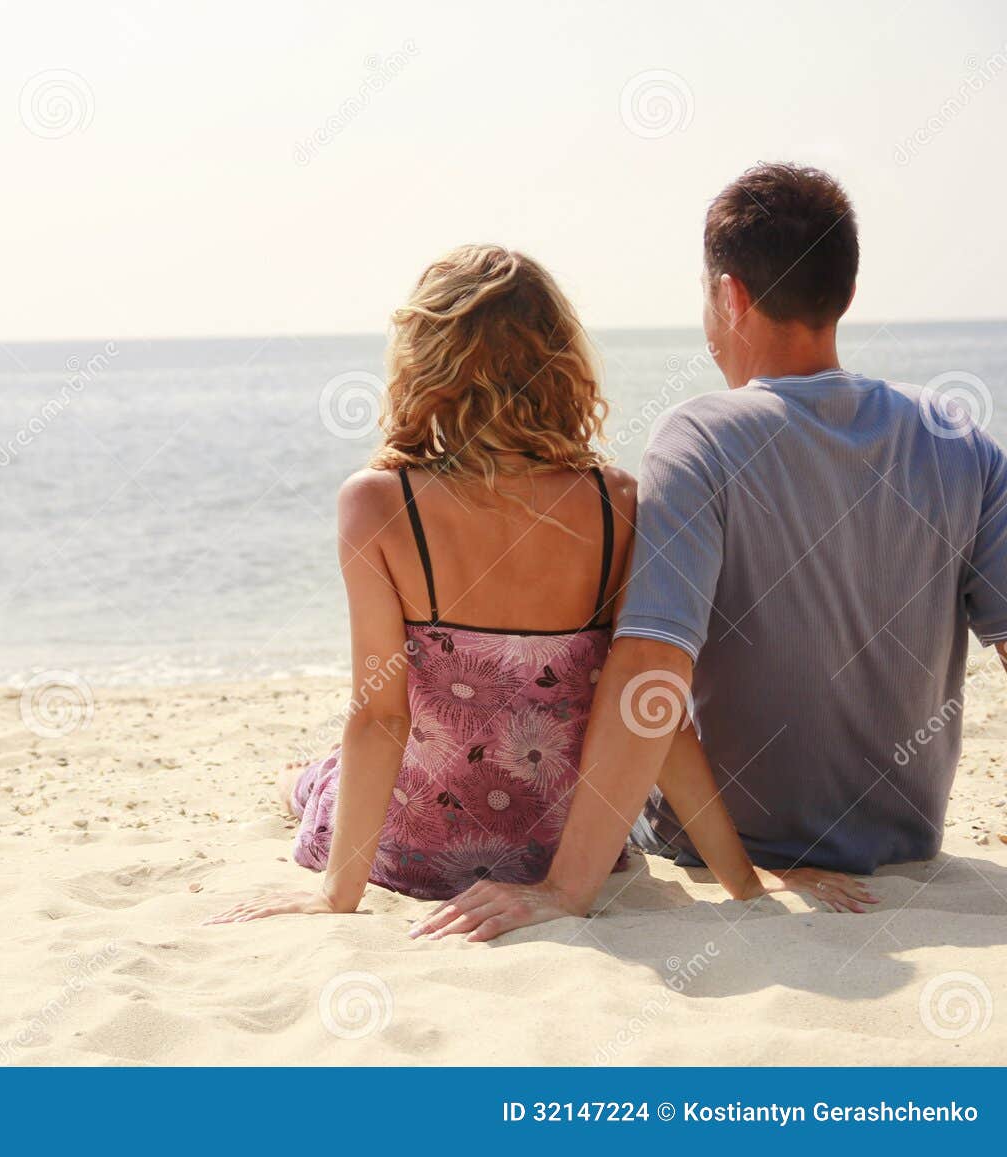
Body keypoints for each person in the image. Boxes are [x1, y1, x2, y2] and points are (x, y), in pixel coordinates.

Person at [413, 163, 1007, 942]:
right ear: (846, 293)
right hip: (902, 846)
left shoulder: (700, 436)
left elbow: (652, 669)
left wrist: (566, 888)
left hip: (712, 846)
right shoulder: (957, 437)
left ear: (730, 295)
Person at [206, 243, 869, 929]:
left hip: (413, 853)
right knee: (323, 772)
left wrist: (334, 896)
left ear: (424, 364)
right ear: (560, 364)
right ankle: (301, 776)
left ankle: (296, 780)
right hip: (559, 848)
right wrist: (744, 880)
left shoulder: (376, 504)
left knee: (322, 778)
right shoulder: (617, 504)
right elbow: (653, 709)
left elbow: (380, 718)